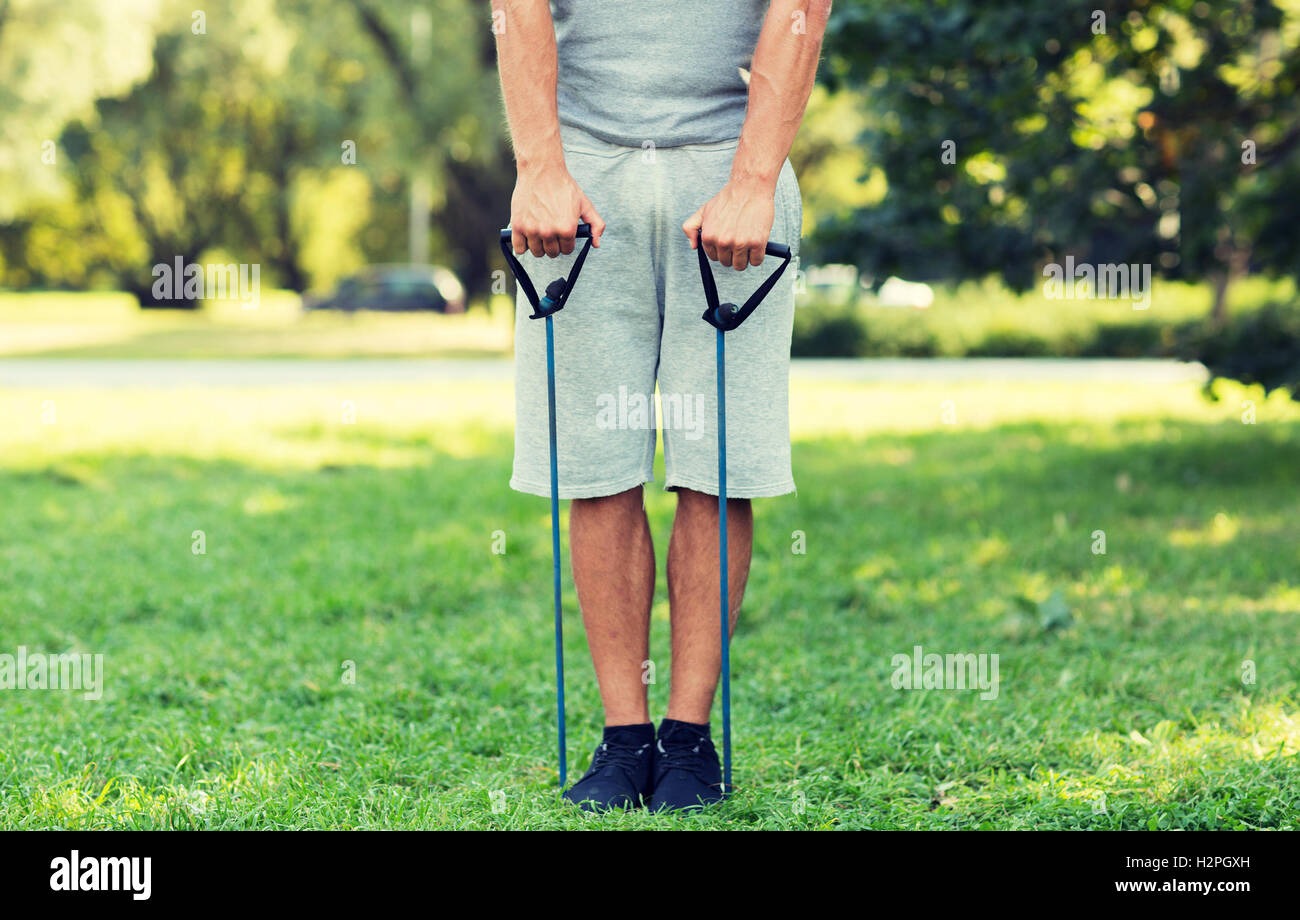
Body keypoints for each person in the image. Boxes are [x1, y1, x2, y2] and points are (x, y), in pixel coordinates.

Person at [492, 0, 830, 812]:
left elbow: (802, 7)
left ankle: (687, 738)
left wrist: (752, 181)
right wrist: (540, 169)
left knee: (716, 462)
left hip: (731, 169)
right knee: (596, 464)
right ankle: (624, 738)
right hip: (578, 179)